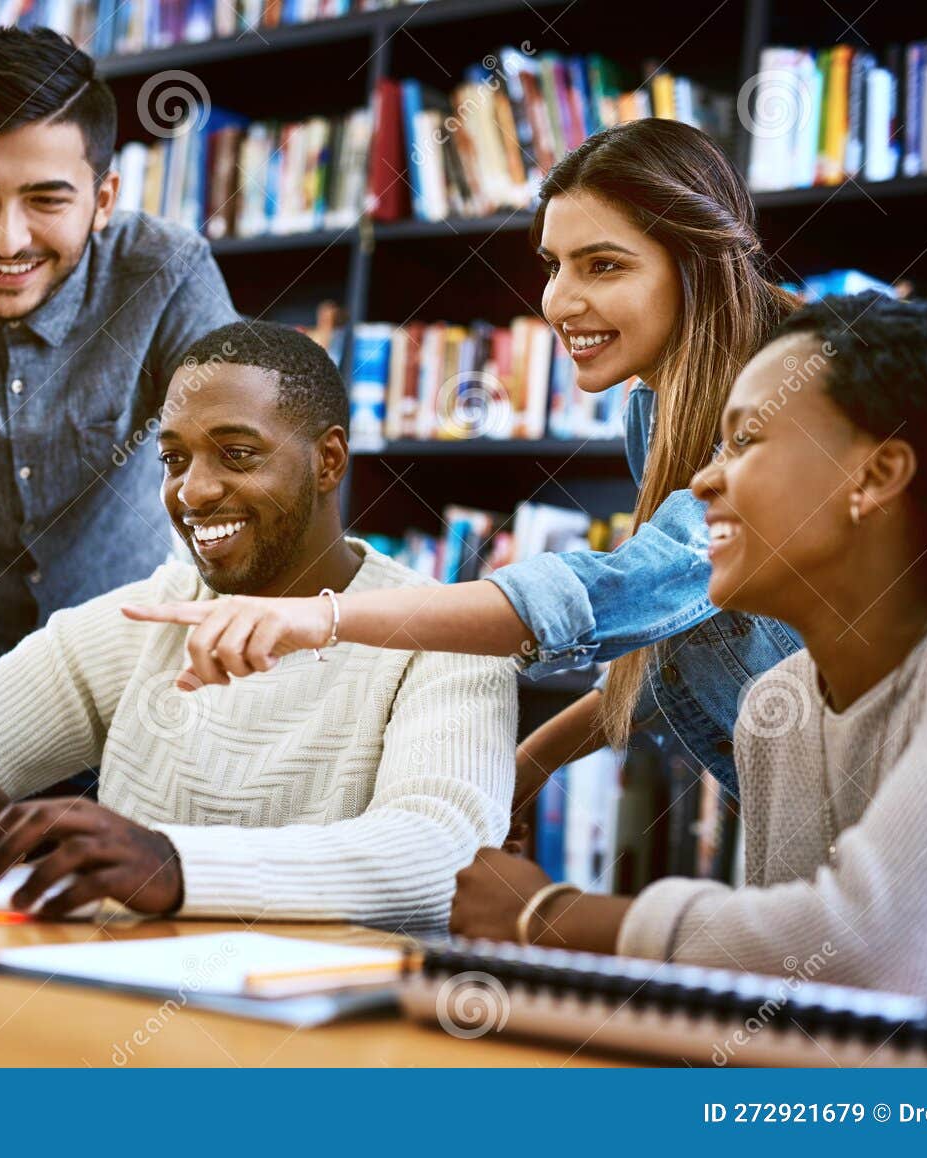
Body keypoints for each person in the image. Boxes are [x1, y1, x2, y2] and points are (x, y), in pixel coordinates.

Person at [449, 293, 927, 1061]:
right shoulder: (779, 702)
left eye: (746, 441)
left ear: (876, 475)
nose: (703, 481)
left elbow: (870, 958)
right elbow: (793, 1014)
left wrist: (546, 915)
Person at [125, 118, 802, 811]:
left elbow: (623, 589)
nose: (559, 302)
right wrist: (534, 762)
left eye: (603, 264)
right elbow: (678, 625)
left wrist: (324, 619)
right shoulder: (656, 408)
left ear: (696, 261)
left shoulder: (795, 404)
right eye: (553, 265)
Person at [0, 322, 516, 932]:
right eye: (175, 459)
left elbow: (446, 857)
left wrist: (173, 864)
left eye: (236, 454)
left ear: (328, 461)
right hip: (111, 1014)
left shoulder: (451, 637)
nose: (194, 492)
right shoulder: (148, 617)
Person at [0, 24, 239, 694]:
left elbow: (252, 444)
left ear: (102, 200)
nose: (7, 239)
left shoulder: (166, 272)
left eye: (45, 200)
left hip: (122, 680)